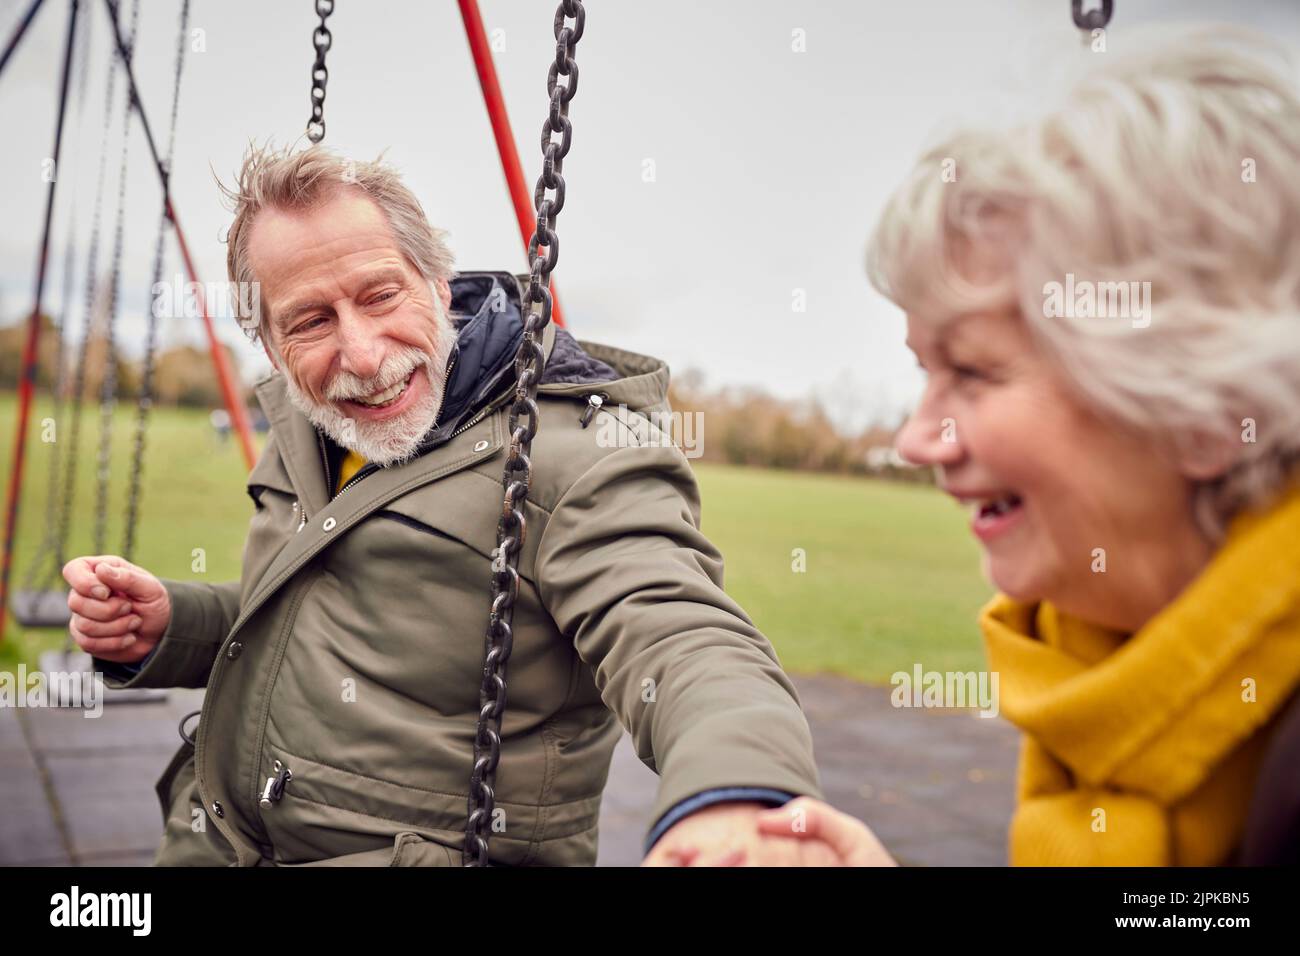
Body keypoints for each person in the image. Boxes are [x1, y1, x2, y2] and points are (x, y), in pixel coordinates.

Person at [62, 143, 891, 866]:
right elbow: (313, 613)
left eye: (381, 295)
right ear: (271, 342)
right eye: (310, 321)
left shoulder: (574, 455)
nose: (360, 353)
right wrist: (174, 626)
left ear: (436, 279)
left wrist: (736, 796)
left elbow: (683, 636)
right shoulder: (308, 421)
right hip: (211, 838)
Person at [755, 28, 1300, 866]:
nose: (912, 438)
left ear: (1208, 410)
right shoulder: (1095, 670)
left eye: (971, 372)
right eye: (923, 371)